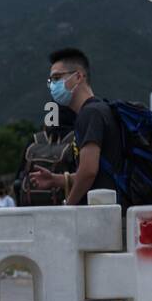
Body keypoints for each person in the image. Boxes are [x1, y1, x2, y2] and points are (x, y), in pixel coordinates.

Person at [27, 48, 124, 206]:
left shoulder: (90, 113)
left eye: (57, 78)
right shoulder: (100, 109)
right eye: (51, 81)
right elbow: (99, 171)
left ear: (78, 76)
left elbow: (88, 172)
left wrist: (68, 206)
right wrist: (57, 179)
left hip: (101, 213)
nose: (53, 86)